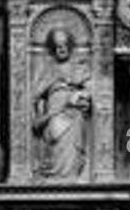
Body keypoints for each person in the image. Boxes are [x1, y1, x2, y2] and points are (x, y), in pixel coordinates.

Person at [32, 28, 92, 179]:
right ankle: (55, 173)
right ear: (53, 49)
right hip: (54, 114)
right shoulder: (48, 70)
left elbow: (91, 89)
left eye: (64, 45)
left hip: (74, 114)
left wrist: (82, 97)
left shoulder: (79, 67)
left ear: (70, 46)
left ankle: (71, 175)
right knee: (56, 145)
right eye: (57, 46)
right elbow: (36, 95)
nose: (61, 49)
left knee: (72, 148)